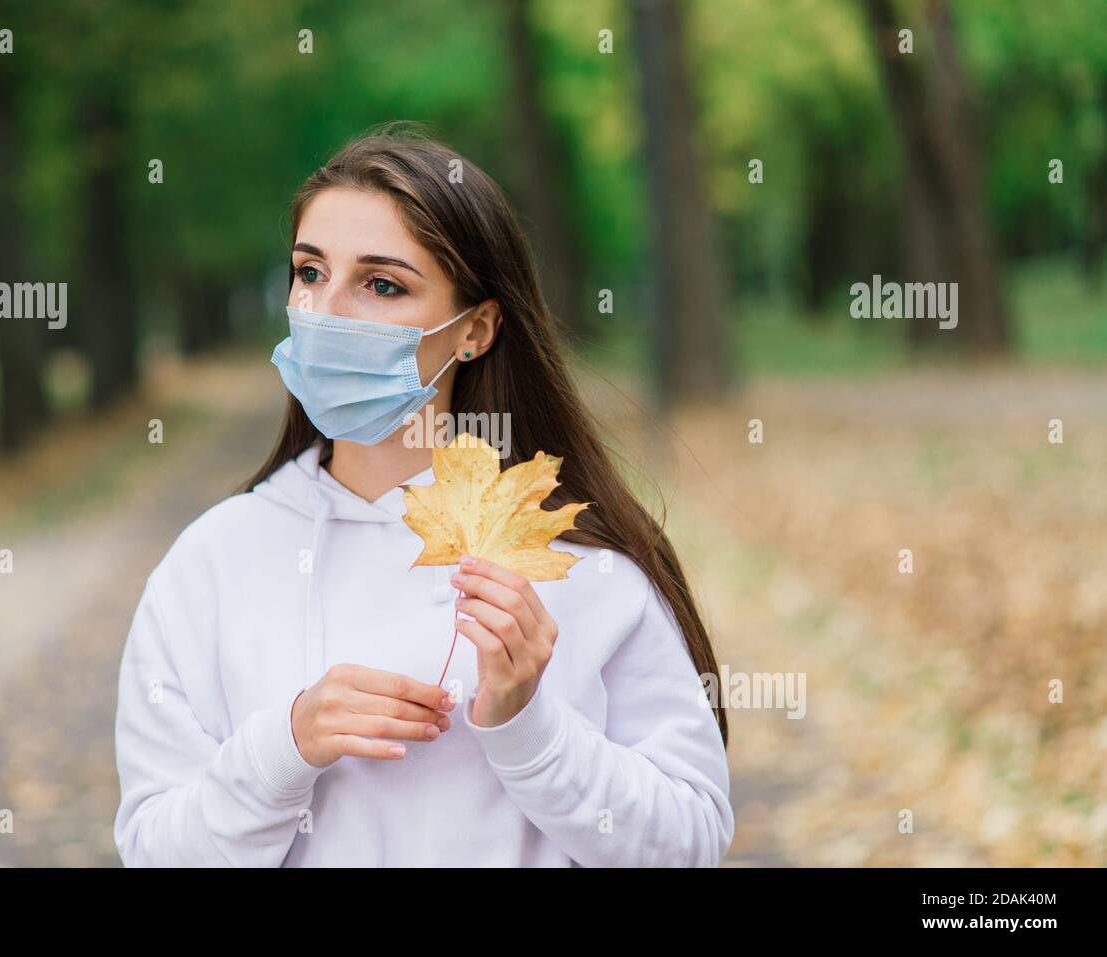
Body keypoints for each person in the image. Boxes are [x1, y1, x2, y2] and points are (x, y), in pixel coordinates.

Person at [112, 124, 733, 867]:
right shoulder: (211, 563)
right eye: (310, 272)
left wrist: (529, 728)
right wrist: (285, 745)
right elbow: (153, 850)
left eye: (381, 284)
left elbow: (690, 841)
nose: (328, 309)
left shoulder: (574, 563)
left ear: (474, 329)